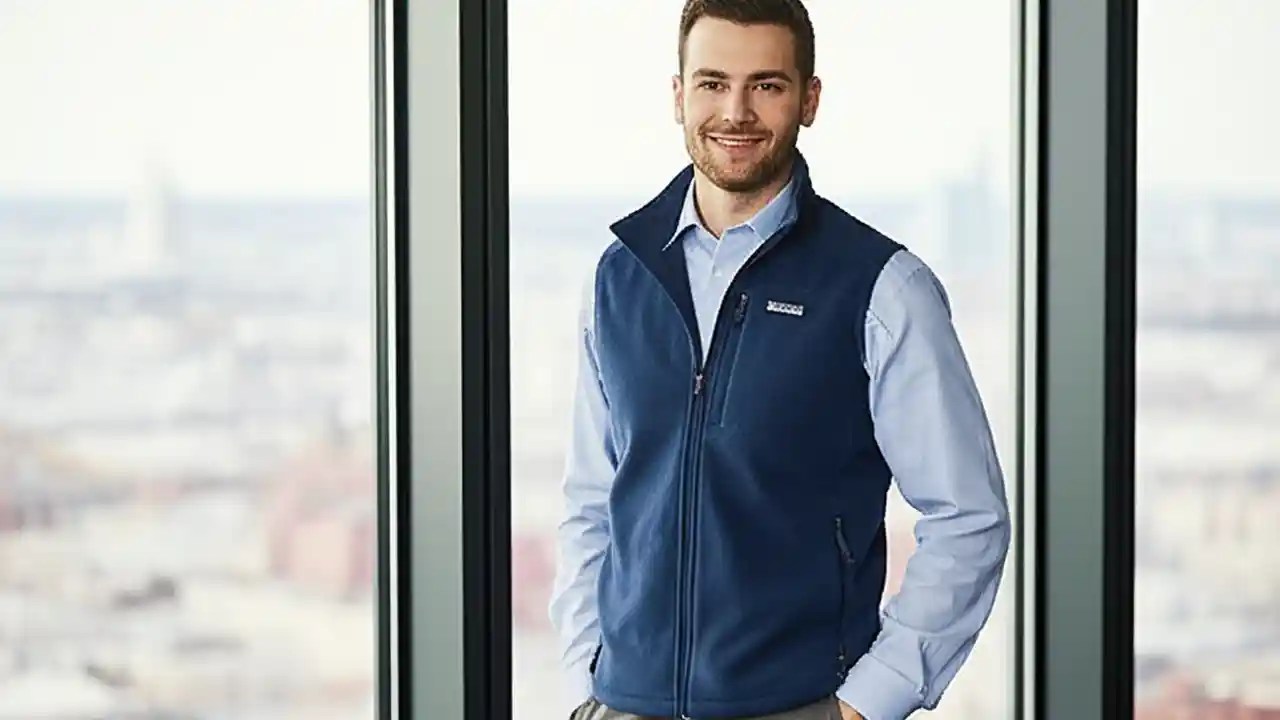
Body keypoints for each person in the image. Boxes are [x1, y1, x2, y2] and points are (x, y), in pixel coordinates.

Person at [548, 1, 1011, 718]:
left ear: (810, 99)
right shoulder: (619, 278)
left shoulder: (882, 289)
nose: (735, 110)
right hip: (622, 703)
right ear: (678, 96)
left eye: (765, 85)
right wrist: (588, 678)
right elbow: (591, 503)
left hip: (798, 705)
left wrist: (867, 703)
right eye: (711, 83)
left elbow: (968, 515)